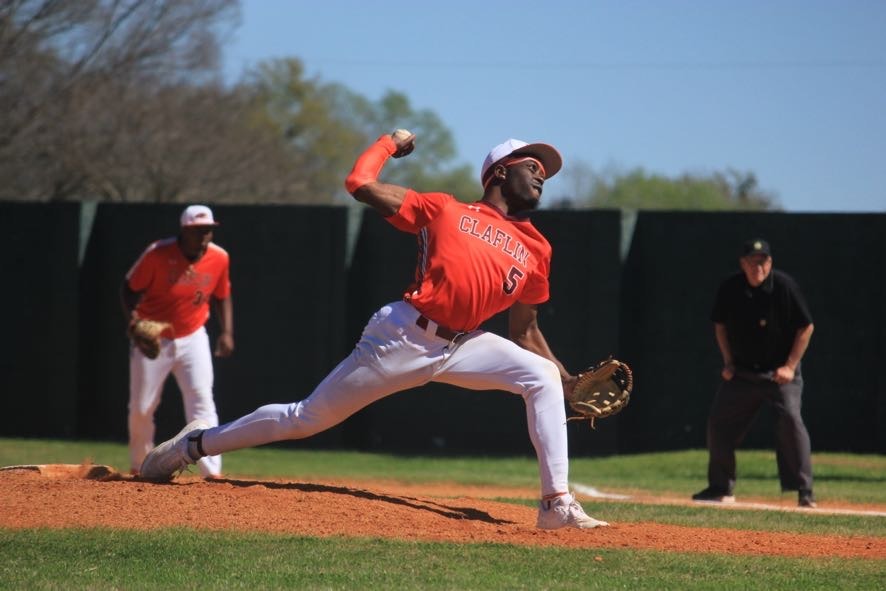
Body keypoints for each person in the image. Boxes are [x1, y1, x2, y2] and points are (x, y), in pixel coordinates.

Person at [140, 131, 610, 530]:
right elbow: (359, 184)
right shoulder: (444, 209)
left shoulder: (537, 248)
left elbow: (525, 330)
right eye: (533, 166)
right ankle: (192, 445)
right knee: (304, 419)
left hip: (462, 345)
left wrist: (566, 379)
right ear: (500, 172)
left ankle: (555, 505)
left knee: (541, 376)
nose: (542, 175)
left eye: (545, 171)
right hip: (403, 337)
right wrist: (388, 144)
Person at [692, 238, 816, 507]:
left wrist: (790, 366)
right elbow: (720, 325)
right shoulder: (731, 287)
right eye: (752, 261)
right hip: (743, 373)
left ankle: (804, 491)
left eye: (763, 261)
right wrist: (728, 362)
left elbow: (806, 327)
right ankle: (720, 488)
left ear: (770, 263)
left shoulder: (784, 286)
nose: (757, 266)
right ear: (742, 264)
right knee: (719, 424)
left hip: (779, 375)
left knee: (791, 421)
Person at [121, 204, 234, 479]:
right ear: (184, 230)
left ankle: (211, 471)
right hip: (155, 338)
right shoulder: (158, 253)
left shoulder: (219, 257)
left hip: (193, 335)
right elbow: (128, 288)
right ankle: (140, 465)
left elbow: (222, 295)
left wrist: (227, 332)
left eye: (208, 230)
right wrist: (133, 323)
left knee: (202, 401)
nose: (204, 235)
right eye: (198, 230)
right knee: (142, 407)